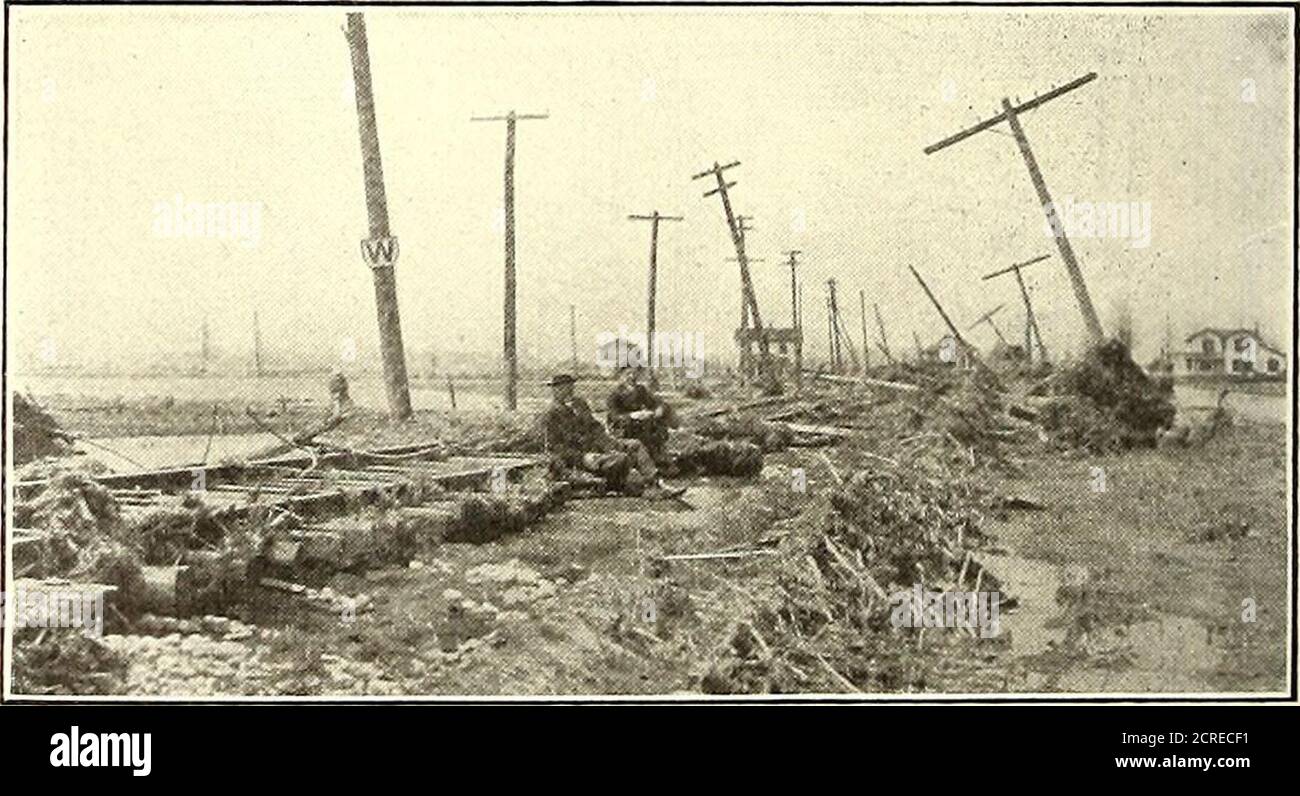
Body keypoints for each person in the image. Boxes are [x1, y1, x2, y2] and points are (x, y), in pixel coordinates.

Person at [539, 373, 684, 499]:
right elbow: (555, 449)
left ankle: (656, 484)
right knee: (621, 459)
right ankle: (635, 488)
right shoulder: (550, 415)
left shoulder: (579, 404)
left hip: (597, 446)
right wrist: (583, 457)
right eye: (564, 388)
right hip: (580, 457)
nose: (569, 391)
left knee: (635, 445)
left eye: (571, 387)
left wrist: (609, 443)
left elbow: (595, 426)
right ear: (555, 390)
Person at [605, 364, 677, 462]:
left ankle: (659, 455)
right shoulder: (615, 395)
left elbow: (655, 402)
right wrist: (632, 415)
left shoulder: (640, 390)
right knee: (644, 427)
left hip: (639, 423)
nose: (632, 376)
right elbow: (614, 416)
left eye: (634, 373)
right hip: (622, 427)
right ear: (620, 376)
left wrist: (659, 408)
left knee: (660, 419)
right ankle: (653, 458)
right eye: (628, 374)